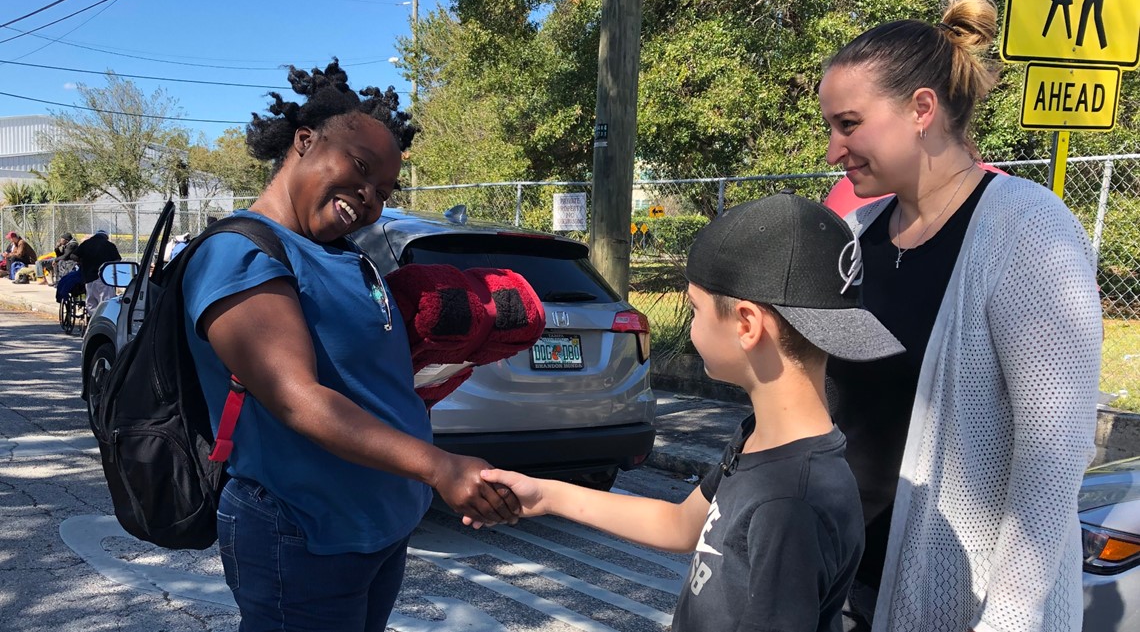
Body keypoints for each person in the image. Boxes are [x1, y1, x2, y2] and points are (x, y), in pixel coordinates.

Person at [180, 60, 519, 632]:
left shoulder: (344, 254)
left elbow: (369, 377)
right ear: (305, 141)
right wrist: (439, 467)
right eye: (360, 169)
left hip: (376, 524)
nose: (367, 197)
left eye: (382, 191)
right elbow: (295, 398)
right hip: (302, 530)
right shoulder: (241, 254)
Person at [477, 193, 905, 632]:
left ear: (746, 325)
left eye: (695, 308)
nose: (694, 325)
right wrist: (548, 494)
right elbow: (682, 525)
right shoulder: (762, 437)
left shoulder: (790, 504)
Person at [818, 0, 1102, 632]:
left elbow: (1053, 452)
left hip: (970, 607)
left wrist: (1009, 618)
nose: (835, 149)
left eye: (849, 123)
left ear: (922, 109)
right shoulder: (856, 236)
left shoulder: (1028, 229)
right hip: (850, 589)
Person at [73, 230, 121, 315]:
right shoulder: (109, 245)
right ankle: (104, 318)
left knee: (91, 300)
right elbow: (117, 259)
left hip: (89, 276)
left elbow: (73, 256)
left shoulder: (86, 243)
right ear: (106, 237)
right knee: (106, 301)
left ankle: (93, 318)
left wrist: (81, 261)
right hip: (105, 277)